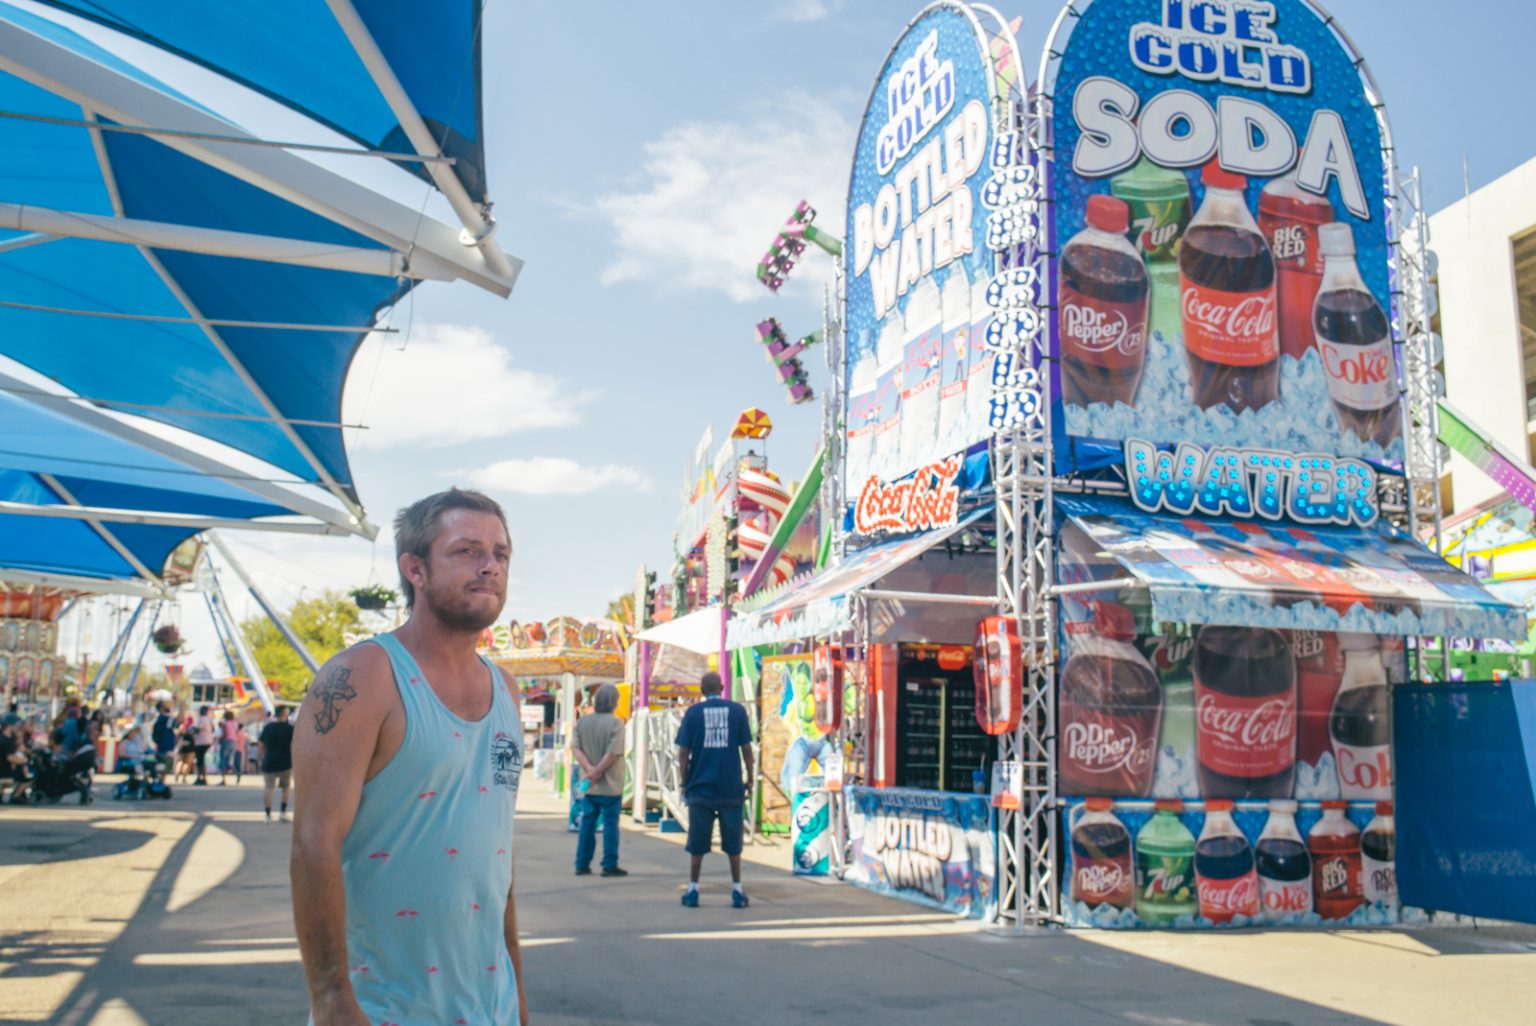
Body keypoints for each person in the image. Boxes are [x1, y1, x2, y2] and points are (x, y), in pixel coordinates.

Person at [291, 488, 528, 1026]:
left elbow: (497, 857)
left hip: (491, 1004)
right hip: (382, 1007)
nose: (490, 566)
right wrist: (330, 996)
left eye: (500, 553)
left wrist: (516, 990)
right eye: (466, 550)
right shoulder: (363, 676)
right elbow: (313, 842)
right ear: (414, 569)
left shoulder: (506, 692)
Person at [675, 670, 755, 908]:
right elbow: (746, 749)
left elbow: (683, 751)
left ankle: (693, 889)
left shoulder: (693, 713)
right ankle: (737, 889)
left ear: (701, 690)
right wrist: (750, 778)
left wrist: (684, 781)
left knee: (697, 844)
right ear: (722, 688)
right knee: (733, 844)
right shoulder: (737, 711)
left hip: (700, 788)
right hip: (730, 787)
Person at [571, 683, 627, 878]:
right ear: (614, 702)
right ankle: (609, 864)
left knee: (587, 823)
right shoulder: (616, 723)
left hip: (589, 785)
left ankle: (582, 863)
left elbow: (575, 748)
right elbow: (613, 752)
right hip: (611, 784)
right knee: (610, 824)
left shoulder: (583, 722)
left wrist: (589, 770)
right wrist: (598, 771)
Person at [258, 704, 295, 822]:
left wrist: (264, 755)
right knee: (286, 787)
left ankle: (267, 814)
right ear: (285, 713)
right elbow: (293, 746)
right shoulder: (290, 729)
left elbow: (261, 744)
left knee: (269, 787)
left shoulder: (268, 727)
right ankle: (282, 813)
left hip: (269, 761)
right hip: (285, 762)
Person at [1, 721, 32, 803]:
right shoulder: (7, 740)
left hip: (7, 768)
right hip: (6, 770)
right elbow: (10, 757)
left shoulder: (9, 738)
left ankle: (13, 796)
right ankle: (15, 796)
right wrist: (24, 761)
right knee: (27, 776)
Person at [192, 705, 214, 785]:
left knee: (200, 761)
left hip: (201, 742)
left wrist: (191, 730)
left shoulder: (202, 719)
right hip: (207, 741)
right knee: (201, 760)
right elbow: (213, 729)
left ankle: (201, 777)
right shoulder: (209, 719)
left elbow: (198, 729)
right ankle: (202, 777)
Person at [151, 702, 178, 768]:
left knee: (163, 762)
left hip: (162, 743)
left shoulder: (158, 719)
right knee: (164, 762)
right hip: (165, 742)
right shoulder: (165, 718)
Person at [217, 710, 240, 786]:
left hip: (226, 741)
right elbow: (236, 733)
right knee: (231, 760)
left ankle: (223, 780)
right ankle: (237, 773)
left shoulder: (225, 723)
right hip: (233, 742)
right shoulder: (235, 723)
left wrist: (220, 740)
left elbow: (225, 733)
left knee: (223, 760)